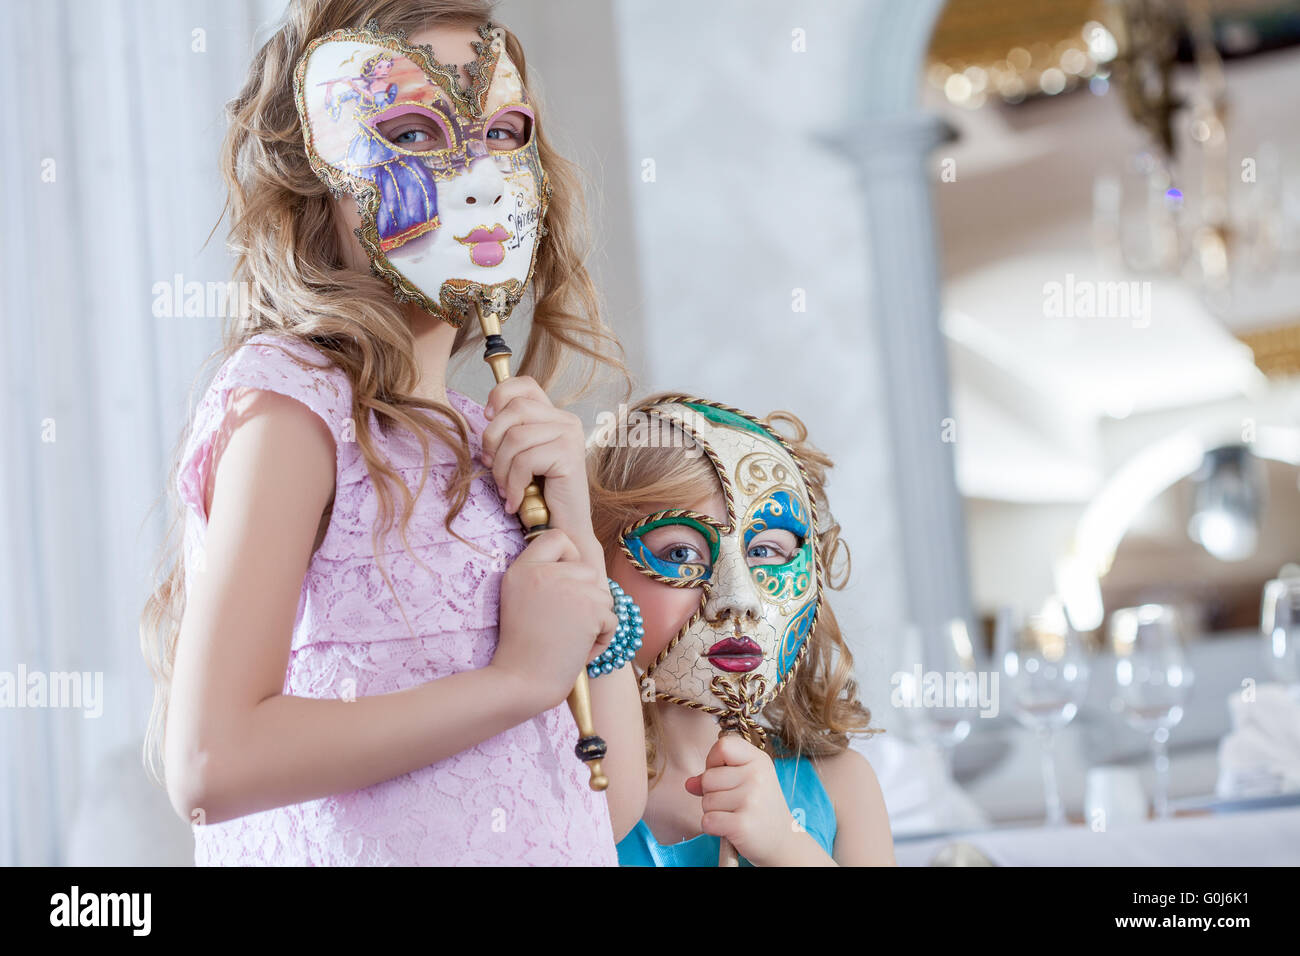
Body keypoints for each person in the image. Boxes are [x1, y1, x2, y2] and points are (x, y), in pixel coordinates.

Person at [140, 0, 645, 866]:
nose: (480, 174)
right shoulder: (295, 405)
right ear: (315, 176)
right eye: (414, 134)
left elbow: (613, 802)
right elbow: (210, 763)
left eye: (505, 132)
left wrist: (577, 544)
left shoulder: (496, 441)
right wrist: (515, 682)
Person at [586, 394, 896, 865]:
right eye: (679, 554)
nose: (738, 600)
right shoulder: (577, 795)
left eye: (766, 551)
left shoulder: (842, 785)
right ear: (599, 570)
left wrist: (785, 845)